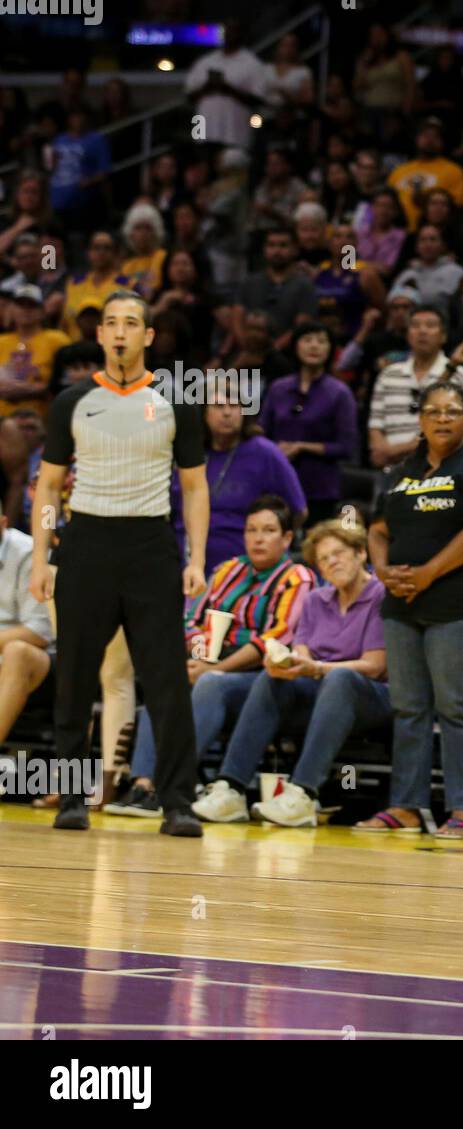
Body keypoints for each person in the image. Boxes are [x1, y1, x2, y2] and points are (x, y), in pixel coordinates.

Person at [27, 292, 208, 835]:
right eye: (112, 323)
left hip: (151, 546)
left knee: (167, 678)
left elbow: (194, 486)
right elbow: (49, 486)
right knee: (75, 679)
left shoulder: (176, 401)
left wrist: (196, 556)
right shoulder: (70, 402)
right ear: (101, 335)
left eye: (132, 323)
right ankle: (71, 799)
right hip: (85, 543)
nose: (121, 332)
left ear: (149, 337)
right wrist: (41, 556)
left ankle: (177, 801)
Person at [110, 494, 315, 816]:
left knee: (213, 685)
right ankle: (143, 786)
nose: (258, 538)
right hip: (210, 659)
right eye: (251, 530)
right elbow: (191, 620)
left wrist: (214, 668)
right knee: (165, 681)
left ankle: (172, 785)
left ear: (287, 537)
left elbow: (275, 638)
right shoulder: (227, 570)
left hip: (259, 675)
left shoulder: (297, 578)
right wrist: (200, 657)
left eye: (268, 530)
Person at [360, 383, 463, 838]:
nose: (442, 419)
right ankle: (406, 805)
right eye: (433, 412)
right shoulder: (401, 471)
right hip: (401, 604)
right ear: (420, 421)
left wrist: (427, 573)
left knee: (457, 707)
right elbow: (377, 530)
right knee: (408, 708)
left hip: (462, 604)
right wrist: (382, 571)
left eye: (453, 411)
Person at [190, 520, 388, 826]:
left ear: (361, 553)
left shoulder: (380, 595)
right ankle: (231, 788)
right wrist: (288, 664)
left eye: (339, 553)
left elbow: (375, 664)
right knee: (271, 677)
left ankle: (303, 794)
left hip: (371, 697)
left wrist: (317, 668)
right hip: (321, 692)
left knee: (340, 678)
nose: (331, 562)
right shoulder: (315, 601)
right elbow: (303, 652)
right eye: (323, 559)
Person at [192, 396, 306, 573]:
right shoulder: (191, 451)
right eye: (219, 406)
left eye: (234, 406)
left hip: (245, 569)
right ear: (204, 413)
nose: (227, 413)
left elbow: (298, 511)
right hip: (188, 562)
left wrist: (265, 552)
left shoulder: (265, 453)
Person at [259, 322, 358, 526]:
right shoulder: (278, 388)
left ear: (331, 349)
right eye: (307, 340)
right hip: (277, 484)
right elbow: (261, 434)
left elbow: (346, 447)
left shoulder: (339, 393)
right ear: (295, 346)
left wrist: (302, 447)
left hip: (320, 488)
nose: (314, 346)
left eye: (321, 341)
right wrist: (275, 450)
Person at [368, 307, 463, 470]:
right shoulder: (388, 374)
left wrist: (393, 451)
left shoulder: (459, 375)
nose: (422, 331)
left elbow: (458, 429)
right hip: (390, 472)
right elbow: (375, 423)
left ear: (443, 335)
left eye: (430, 325)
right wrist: (379, 450)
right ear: (407, 334)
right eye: (415, 325)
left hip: (439, 471)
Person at [0, 514, 55, 749]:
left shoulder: (28, 553)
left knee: (17, 652)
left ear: (3, 523)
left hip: (41, 659)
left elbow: (40, 631)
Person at [183, 18, 267, 152]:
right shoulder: (206, 62)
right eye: (227, 31)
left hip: (235, 134)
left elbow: (258, 99)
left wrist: (229, 89)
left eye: (234, 31)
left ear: (241, 34)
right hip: (203, 131)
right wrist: (207, 87)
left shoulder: (252, 64)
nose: (229, 35)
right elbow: (189, 96)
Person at [387, 117, 463, 231]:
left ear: (442, 141)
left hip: (435, 236)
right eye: (425, 135)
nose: (429, 139)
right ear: (416, 138)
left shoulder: (454, 171)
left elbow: (461, 209)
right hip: (399, 235)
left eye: (435, 136)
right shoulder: (399, 171)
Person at [0, 284, 70, 418]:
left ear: (43, 311)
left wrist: (33, 389)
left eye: (32, 305)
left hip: (42, 419)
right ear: (12, 310)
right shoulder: (1, 341)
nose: (26, 310)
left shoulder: (57, 340)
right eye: (21, 305)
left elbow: (67, 381)